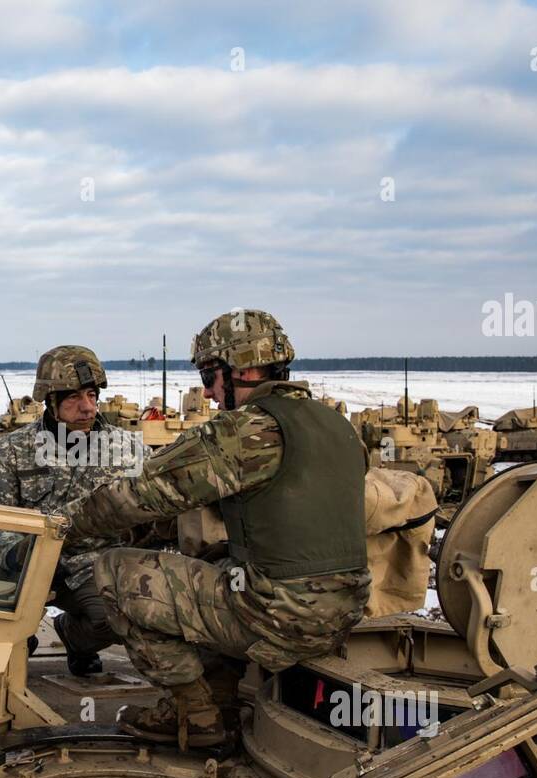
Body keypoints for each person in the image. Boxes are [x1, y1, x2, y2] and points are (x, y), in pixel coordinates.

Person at [63, 310, 371, 748]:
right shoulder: (339, 427)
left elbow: (141, 494)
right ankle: (222, 694)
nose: (206, 392)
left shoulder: (244, 430)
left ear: (242, 368)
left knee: (115, 571)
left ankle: (194, 714)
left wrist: (68, 526)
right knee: (214, 565)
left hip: (278, 616)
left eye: (211, 375)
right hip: (343, 610)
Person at [0, 346, 149, 676]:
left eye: (92, 395)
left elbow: (151, 506)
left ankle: (73, 637)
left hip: (87, 565)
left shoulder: (127, 450)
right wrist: (13, 553)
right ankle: (8, 640)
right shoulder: (11, 451)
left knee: (118, 616)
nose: (87, 408)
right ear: (50, 402)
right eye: (73, 398)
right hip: (24, 562)